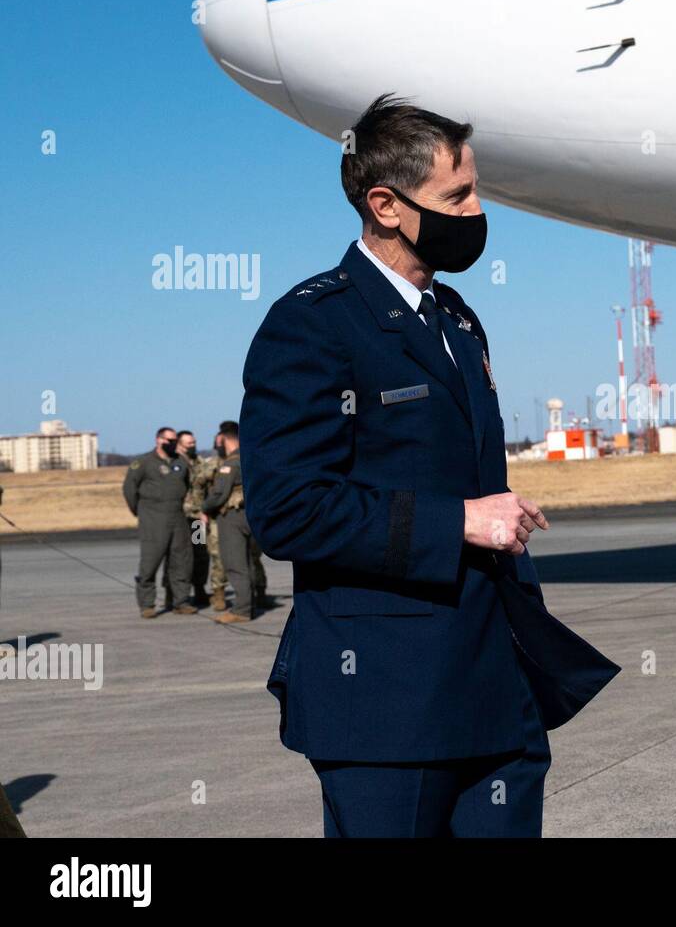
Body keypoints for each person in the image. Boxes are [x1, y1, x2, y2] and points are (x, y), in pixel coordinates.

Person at [239, 94, 615, 838]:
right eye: (458, 196)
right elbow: (286, 507)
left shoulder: (456, 319)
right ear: (385, 204)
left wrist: (495, 513)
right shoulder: (313, 324)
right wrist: (462, 521)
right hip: (386, 704)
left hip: (495, 687)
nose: (477, 210)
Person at [122, 427, 195, 618]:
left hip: (177, 516)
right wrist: (138, 510)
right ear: (158, 440)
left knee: (181, 561)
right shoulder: (144, 462)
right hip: (153, 517)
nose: (172, 443)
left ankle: (180, 601)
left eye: (174, 440)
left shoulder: (181, 462)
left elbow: (187, 485)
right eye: (168, 440)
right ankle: (147, 604)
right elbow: (129, 488)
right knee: (150, 561)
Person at [202, 422, 254, 624]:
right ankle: (250, 602)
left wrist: (204, 508)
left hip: (231, 517)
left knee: (235, 564)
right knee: (247, 562)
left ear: (224, 439)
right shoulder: (249, 458)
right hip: (249, 515)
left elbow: (218, 495)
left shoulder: (229, 464)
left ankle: (241, 609)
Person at [178, 430, 210, 608]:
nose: (193, 445)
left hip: (197, 519)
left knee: (200, 554)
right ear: (179, 444)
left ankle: (199, 588)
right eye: (189, 443)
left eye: (194, 442)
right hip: (180, 518)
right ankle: (174, 592)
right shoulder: (174, 462)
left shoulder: (199, 462)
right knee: (178, 556)